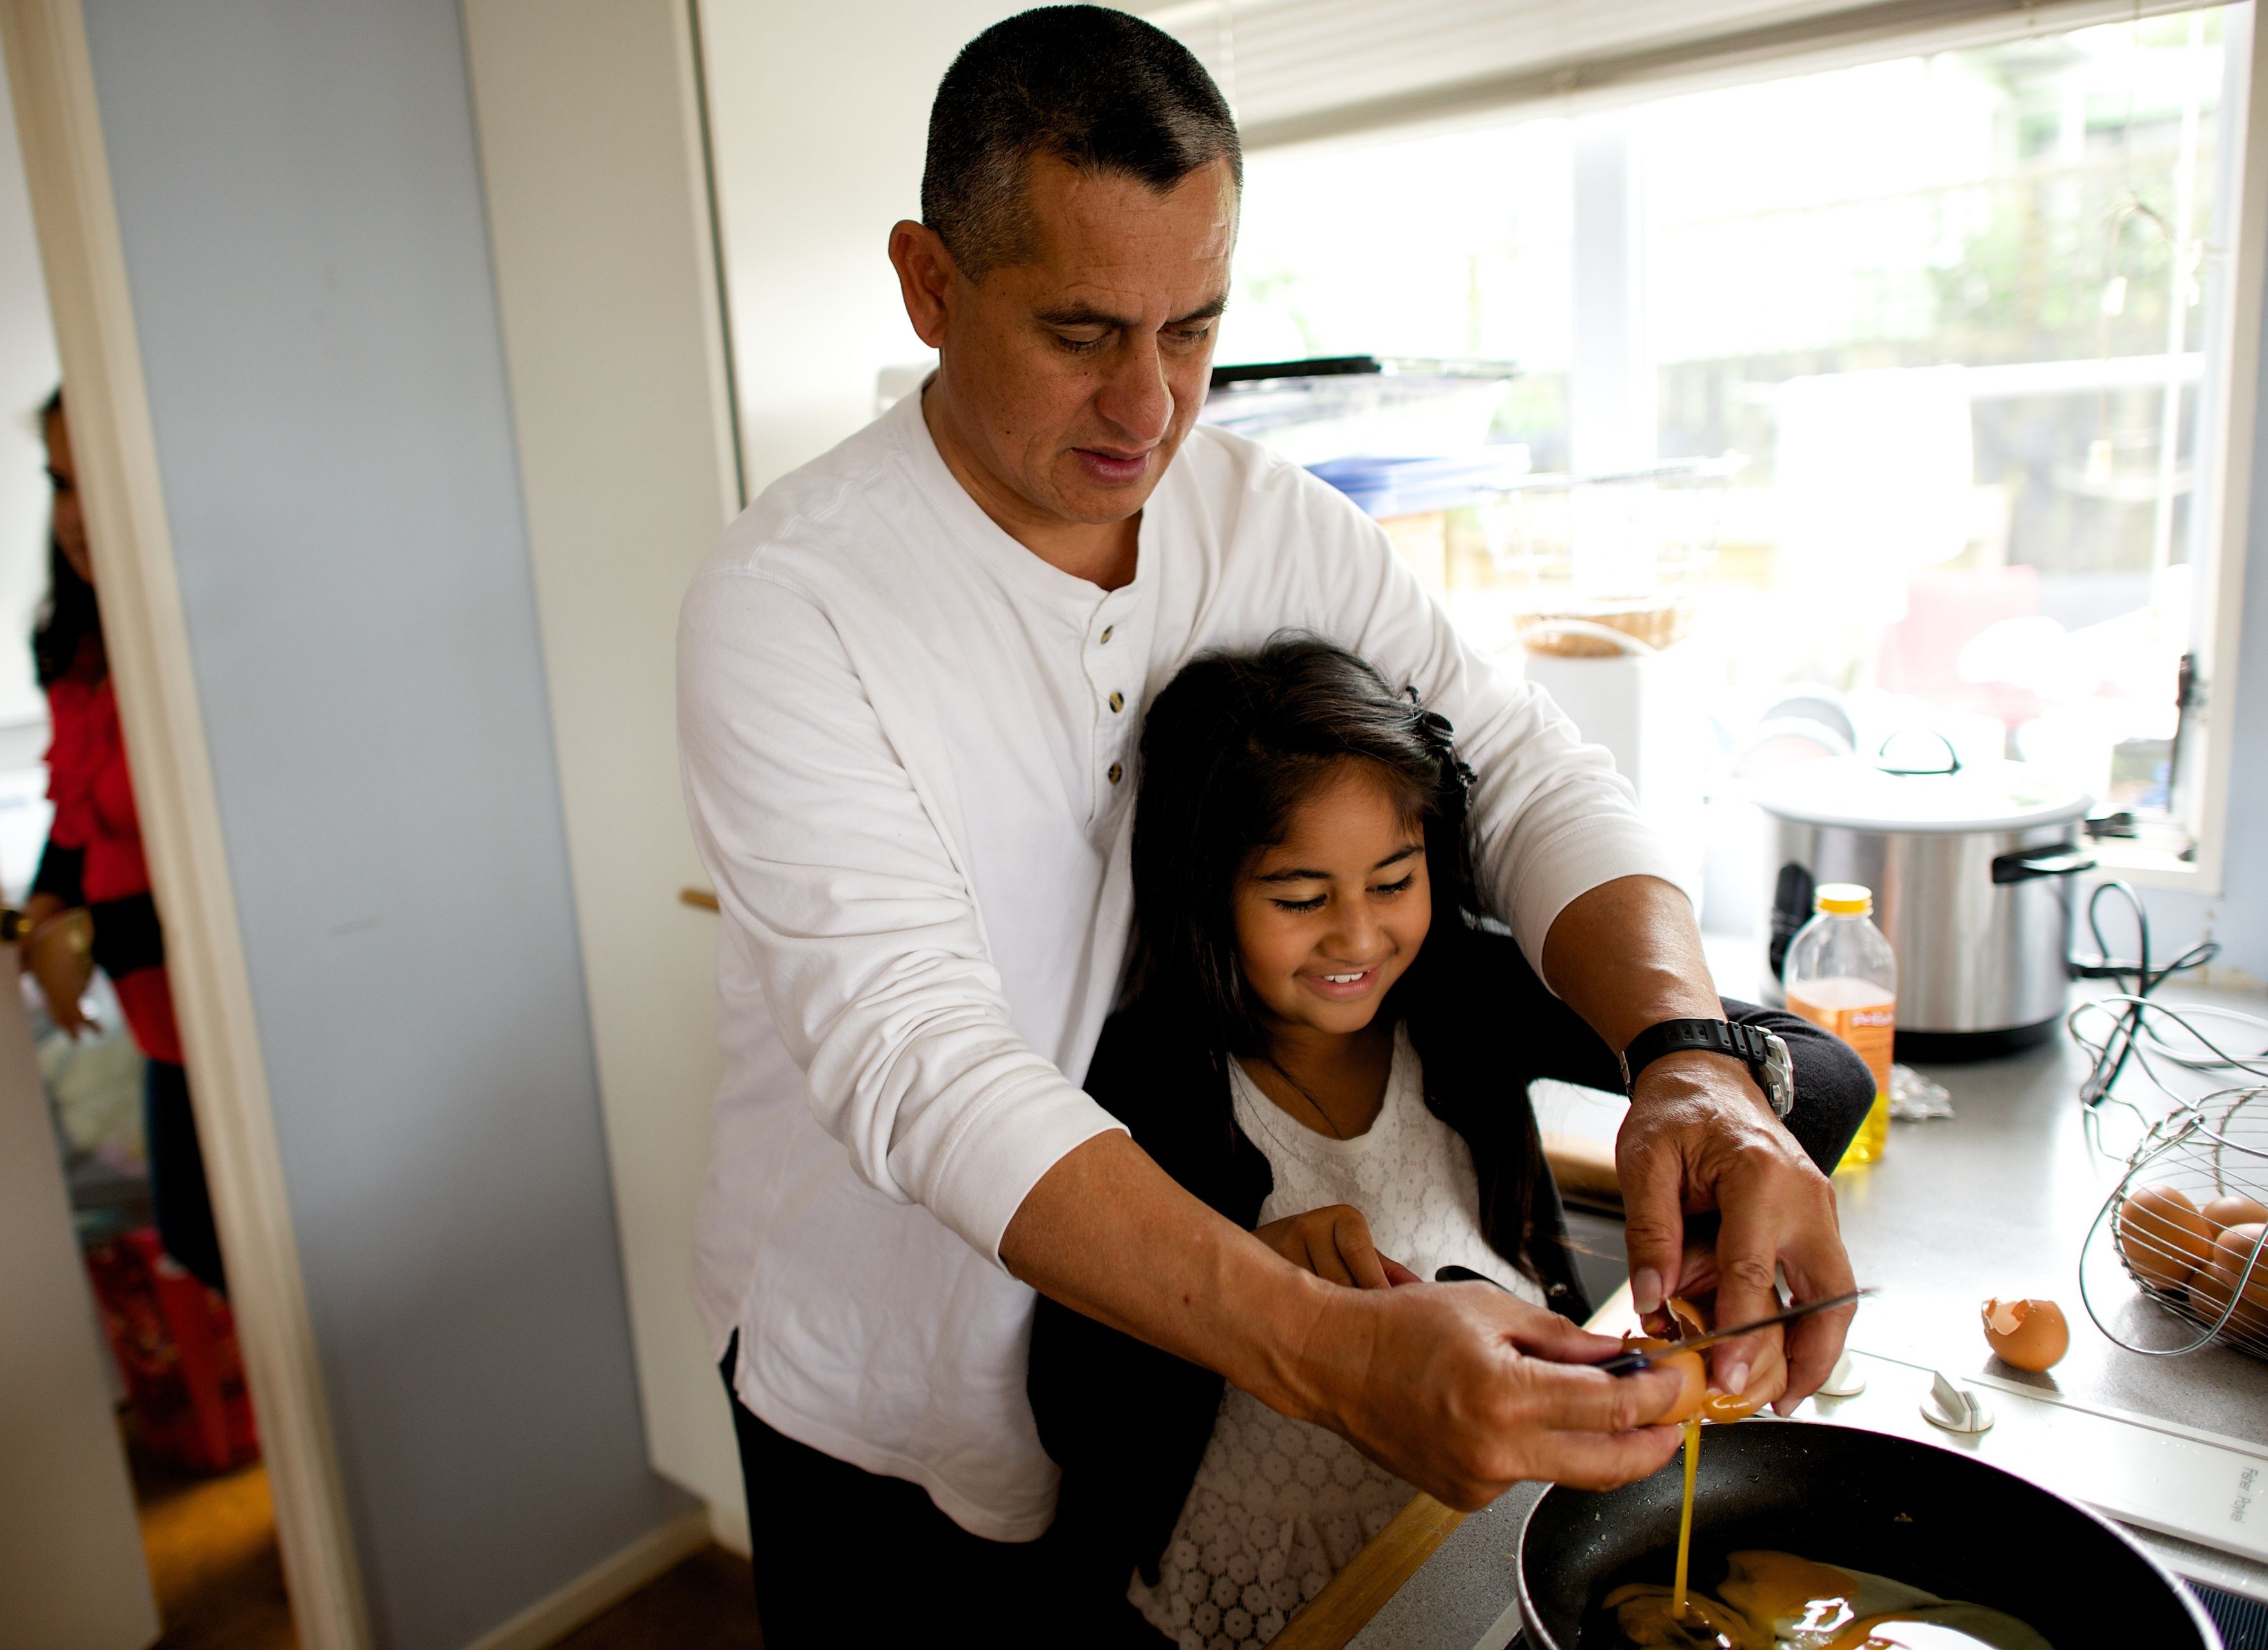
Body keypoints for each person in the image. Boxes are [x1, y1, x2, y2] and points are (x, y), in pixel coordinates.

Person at [674, 10, 1856, 1642]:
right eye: (1082, 332)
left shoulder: (1268, 524)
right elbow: (921, 1058)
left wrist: (1693, 1060)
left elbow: (1513, 765)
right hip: (882, 1352)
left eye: (1194, 326)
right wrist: (1328, 1352)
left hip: (1137, 1343)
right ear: (929, 285)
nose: (1149, 407)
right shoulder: (791, 603)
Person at [1028, 638, 1872, 1647]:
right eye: (1300, 899)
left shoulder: (1462, 994)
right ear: (1201, 896)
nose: (1357, 936)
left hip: (1487, 1531)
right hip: (1263, 1585)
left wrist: (1708, 1118)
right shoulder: (1141, 1080)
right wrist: (1243, 1290)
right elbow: (1069, 1409)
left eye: (1394, 881)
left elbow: (1826, 1069)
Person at [19, 389, 225, 1295]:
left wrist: (83, 942)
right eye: (58, 482)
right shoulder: (79, 645)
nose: (70, 514)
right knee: (195, 1235)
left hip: (219, 1015)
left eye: (88, 481)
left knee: (212, 1236)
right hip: (156, 1013)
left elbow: (202, 861)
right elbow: (76, 817)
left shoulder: (199, 639)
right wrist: (45, 909)